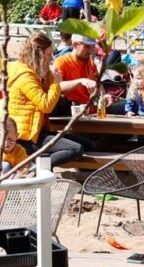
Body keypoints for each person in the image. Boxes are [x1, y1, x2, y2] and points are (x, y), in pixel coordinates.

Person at [8, 33, 86, 167]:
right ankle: (38, 168)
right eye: (48, 55)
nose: (51, 59)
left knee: (88, 144)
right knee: (76, 149)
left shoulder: (40, 71)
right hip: (28, 136)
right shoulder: (25, 77)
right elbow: (46, 105)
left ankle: (40, 160)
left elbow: (57, 90)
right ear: (38, 55)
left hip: (40, 130)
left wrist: (55, 79)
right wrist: (55, 83)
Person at [53, 33, 100, 106]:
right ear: (75, 45)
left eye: (92, 47)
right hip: (75, 110)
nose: (90, 51)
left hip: (94, 107)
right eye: (87, 46)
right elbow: (57, 86)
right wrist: (81, 81)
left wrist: (104, 95)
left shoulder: (91, 62)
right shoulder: (61, 62)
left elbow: (99, 84)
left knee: (123, 107)